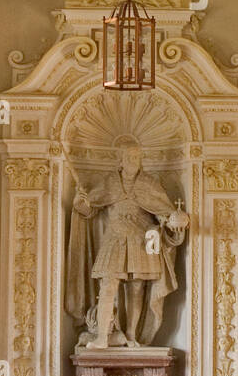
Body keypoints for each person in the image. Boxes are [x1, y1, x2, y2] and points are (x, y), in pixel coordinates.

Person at [66, 142, 188, 349]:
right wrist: (81, 203)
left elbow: (163, 214)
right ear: (120, 160)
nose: (134, 161)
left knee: (136, 288)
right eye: (130, 157)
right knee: (107, 286)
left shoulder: (150, 184)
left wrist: (176, 221)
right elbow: (89, 211)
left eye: (137, 157)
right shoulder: (110, 182)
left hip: (141, 242)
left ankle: (131, 336)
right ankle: (102, 337)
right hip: (115, 240)